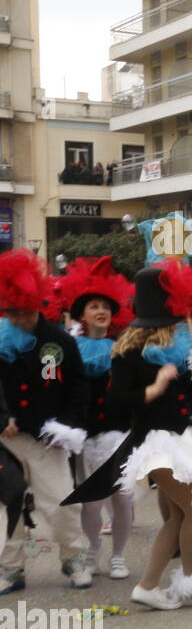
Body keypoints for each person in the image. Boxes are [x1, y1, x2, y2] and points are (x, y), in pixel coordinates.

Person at [65, 262, 192, 609]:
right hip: (156, 444)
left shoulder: (185, 340)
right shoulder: (128, 351)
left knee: (184, 514)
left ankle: (150, 586)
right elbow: (119, 399)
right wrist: (155, 387)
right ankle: (187, 582)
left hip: (187, 439)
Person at [0, 250, 92, 594]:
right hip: (6, 440)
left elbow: (79, 386)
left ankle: (75, 558)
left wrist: (66, 424)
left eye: (23, 312)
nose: (18, 319)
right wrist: (2, 418)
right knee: (6, 505)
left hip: (45, 437)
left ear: (36, 306)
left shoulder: (58, 340)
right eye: (11, 313)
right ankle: (10, 569)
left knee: (63, 501)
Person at [60, 257, 136, 583]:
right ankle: (92, 552)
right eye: (93, 306)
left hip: (123, 432)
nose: (100, 311)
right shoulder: (71, 347)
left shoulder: (125, 346)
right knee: (91, 503)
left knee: (124, 499)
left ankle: (118, 557)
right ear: (82, 315)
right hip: (87, 434)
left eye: (104, 305)